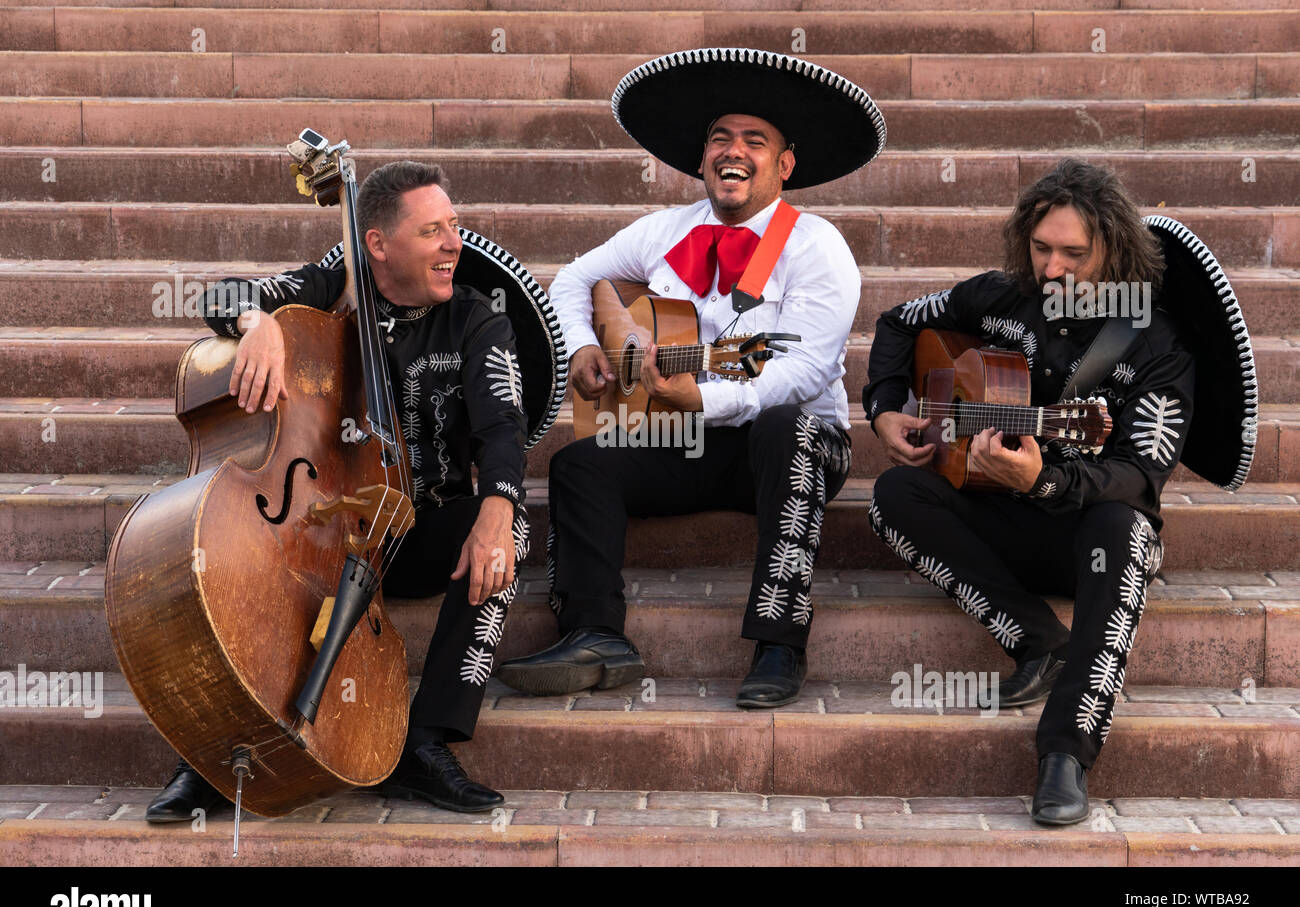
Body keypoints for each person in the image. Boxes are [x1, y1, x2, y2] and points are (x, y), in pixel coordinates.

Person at [145, 160, 563, 821]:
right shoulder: (331, 287)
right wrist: (261, 325)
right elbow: (223, 295)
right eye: (433, 231)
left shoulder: (477, 319)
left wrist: (498, 505)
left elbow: (503, 428)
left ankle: (425, 744)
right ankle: (208, 753)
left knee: (506, 530)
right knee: (239, 561)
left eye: (454, 225)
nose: (456, 242)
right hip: (321, 517)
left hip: (414, 527)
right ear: (377, 244)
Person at [863, 157, 1256, 824]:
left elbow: (1139, 475)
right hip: (1002, 513)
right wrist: (883, 408)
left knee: (1125, 527)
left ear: (1117, 250)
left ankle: (1066, 751)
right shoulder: (1004, 295)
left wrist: (1045, 476)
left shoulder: (1159, 344)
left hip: (1090, 536)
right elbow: (901, 321)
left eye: (1075, 253)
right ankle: (1035, 637)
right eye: (1041, 249)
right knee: (893, 495)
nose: (1052, 270)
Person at [496, 48, 886, 708]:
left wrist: (704, 394)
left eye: (754, 140)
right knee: (579, 465)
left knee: (785, 426)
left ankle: (779, 640)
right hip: (694, 434)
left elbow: (803, 370)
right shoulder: (664, 229)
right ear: (702, 157)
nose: (733, 151)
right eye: (719, 138)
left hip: (799, 444)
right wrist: (589, 347)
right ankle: (595, 633)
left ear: (785, 165)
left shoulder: (817, 246)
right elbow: (574, 280)